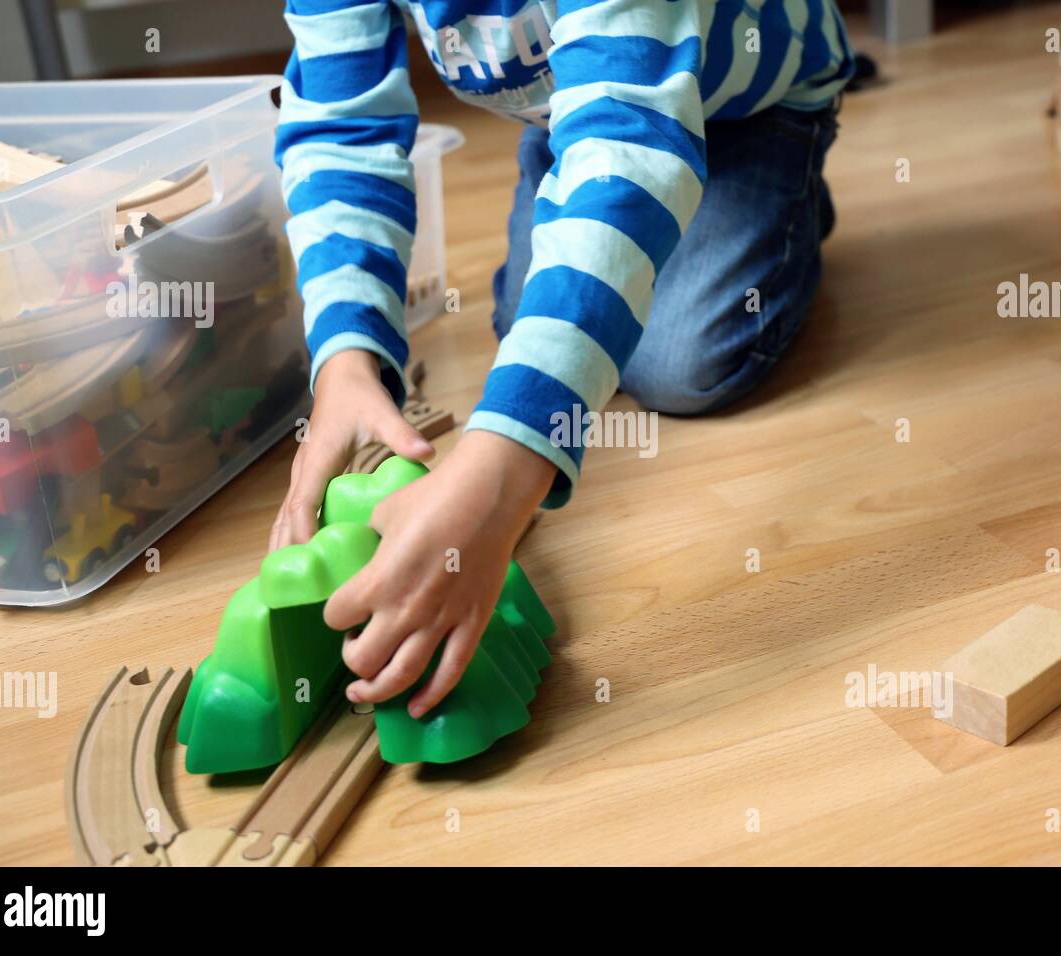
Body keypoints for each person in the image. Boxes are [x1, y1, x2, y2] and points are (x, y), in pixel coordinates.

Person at [269, 0, 853, 715]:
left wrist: (504, 475)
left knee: (680, 364)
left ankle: (788, 211)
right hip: (588, 108)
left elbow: (628, 141)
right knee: (533, 326)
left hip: (747, 110)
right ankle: (572, 162)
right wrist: (345, 357)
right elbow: (339, 132)